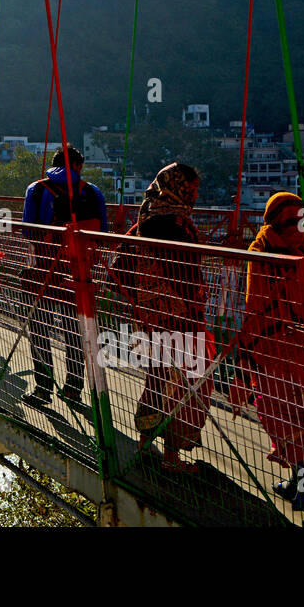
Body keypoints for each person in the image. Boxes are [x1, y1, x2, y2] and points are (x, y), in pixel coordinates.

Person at [235, 191, 304, 509]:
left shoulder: (265, 249)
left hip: (278, 349)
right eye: (291, 221)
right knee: (303, 417)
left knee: (285, 416)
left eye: (299, 221)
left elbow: (255, 308)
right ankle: (301, 482)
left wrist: (246, 353)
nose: (296, 226)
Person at [109, 162, 213, 472]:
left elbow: (118, 267)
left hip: (153, 316)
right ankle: (171, 456)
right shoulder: (174, 225)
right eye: (191, 191)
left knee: (158, 378)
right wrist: (187, 300)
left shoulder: (146, 217)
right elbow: (186, 273)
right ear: (179, 189)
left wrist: (143, 299)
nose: (194, 196)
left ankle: (145, 442)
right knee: (184, 381)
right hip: (181, 316)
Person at [20, 147, 108, 408]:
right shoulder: (93, 192)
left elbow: (28, 230)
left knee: (39, 328)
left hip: (44, 270)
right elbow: (102, 231)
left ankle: (43, 389)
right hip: (77, 272)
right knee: (74, 331)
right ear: (79, 165)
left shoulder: (36, 189)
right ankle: (72, 390)